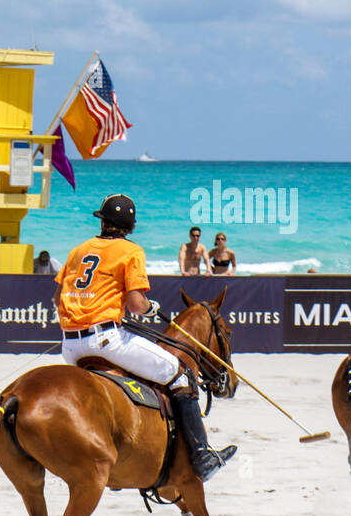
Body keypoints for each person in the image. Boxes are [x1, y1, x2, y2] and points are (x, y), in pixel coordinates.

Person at [56, 194, 236, 480]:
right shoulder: (131, 251)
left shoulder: (78, 250)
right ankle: (201, 456)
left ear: (102, 221)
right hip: (106, 341)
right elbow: (136, 305)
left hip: (70, 347)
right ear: (130, 227)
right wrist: (149, 307)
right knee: (180, 374)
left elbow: (58, 298)